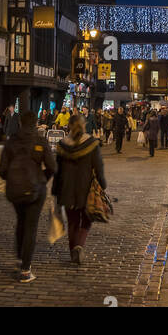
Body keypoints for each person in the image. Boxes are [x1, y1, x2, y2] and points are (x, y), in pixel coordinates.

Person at [0, 110, 56, 283]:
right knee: (31, 226)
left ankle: (19, 258)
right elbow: (52, 167)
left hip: (15, 190)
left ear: (21, 123)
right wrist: (42, 179)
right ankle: (25, 269)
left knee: (21, 222)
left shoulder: (11, 142)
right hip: (35, 189)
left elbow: (1, 170)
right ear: (35, 123)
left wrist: (13, 179)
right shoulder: (40, 141)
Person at [52, 112, 107, 266]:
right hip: (86, 188)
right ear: (83, 125)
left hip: (67, 188)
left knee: (72, 221)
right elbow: (99, 167)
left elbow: (58, 170)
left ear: (69, 126)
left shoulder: (62, 145)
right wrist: (102, 184)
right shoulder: (91, 143)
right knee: (87, 219)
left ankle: (73, 252)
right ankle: (79, 245)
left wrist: (55, 190)